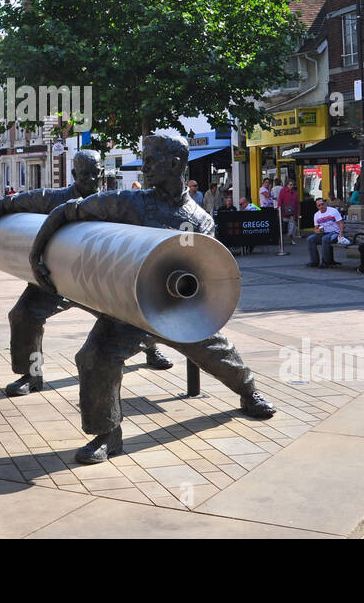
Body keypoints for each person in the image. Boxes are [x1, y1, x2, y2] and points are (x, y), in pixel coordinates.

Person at [27, 136, 276, 464]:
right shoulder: (130, 202)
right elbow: (67, 211)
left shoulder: (200, 220)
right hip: (131, 309)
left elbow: (206, 270)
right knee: (94, 357)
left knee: (219, 352)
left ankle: (248, 391)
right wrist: (36, 255)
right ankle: (108, 434)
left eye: (151, 158)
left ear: (175, 164)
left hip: (179, 309)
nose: (144, 165)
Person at [0, 150, 172, 397]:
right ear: (73, 175)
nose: (92, 179)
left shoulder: (116, 203)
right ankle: (32, 374)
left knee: (136, 311)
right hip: (58, 279)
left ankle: (150, 349)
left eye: (96, 173)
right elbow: (6, 204)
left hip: (100, 280)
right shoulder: (53, 199)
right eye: (85, 174)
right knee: (23, 315)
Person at [305, 197, 343, 268]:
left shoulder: (333, 211)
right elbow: (315, 229)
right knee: (310, 239)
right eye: (319, 205)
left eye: (322, 204)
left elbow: (341, 223)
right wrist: (318, 231)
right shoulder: (316, 215)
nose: (321, 206)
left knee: (325, 239)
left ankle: (325, 262)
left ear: (325, 204)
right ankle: (314, 261)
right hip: (324, 233)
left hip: (335, 233)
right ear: (317, 207)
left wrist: (340, 234)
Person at [277, 179, 299, 244]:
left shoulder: (295, 193)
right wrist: (279, 209)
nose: (291, 186)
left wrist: (297, 213)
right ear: (287, 185)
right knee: (283, 226)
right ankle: (282, 239)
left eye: (292, 185)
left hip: (292, 211)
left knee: (292, 226)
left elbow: (296, 203)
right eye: (290, 185)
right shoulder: (283, 191)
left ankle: (291, 238)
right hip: (284, 211)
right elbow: (280, 200)